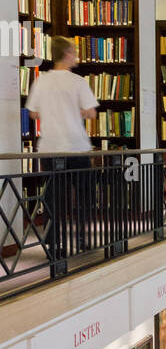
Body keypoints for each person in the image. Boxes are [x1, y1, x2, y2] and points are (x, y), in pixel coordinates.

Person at [26, 36, 98, 256]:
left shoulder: (42, 81)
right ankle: (83, 238)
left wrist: (52, 112)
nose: (76, 56)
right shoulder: (78, 82)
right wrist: (78, 112)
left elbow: (33, 112)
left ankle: (54, 245)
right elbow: (92, 113)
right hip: (76, 146)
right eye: (74, 52)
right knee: (85, 196)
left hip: (50, 147)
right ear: (67, 55)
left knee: (52, 199)